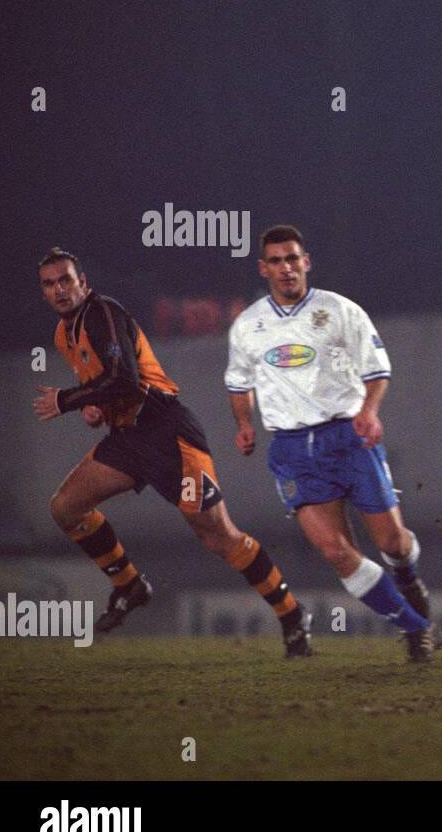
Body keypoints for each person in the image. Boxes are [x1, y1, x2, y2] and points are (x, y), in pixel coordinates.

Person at [33, 248, 312, 656]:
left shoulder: (102, 313)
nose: (59, 289)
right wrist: (93, 407)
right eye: (49, 283)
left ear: (83, 282)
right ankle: (130, 587)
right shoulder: (64, 334)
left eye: (65, 280)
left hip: (166, 430)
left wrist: (68, 399)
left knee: (218, 537)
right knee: (65, 507)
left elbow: (126, 380)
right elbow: (107, 387)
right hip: (128, 438)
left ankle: (291, 614)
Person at [225, 225, 437, 662]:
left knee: (393, 543)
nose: (286, 268)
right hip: (291, 449)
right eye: (277, 261)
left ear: (306, 262)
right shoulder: (248, 326)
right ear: (263, 268)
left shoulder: (340, 311)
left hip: (348, 437)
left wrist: (369, 411)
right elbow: (238, 381)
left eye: (293, 258)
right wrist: (244, 423)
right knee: (335, 551)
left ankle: (409, 579)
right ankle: (416, 628)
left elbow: (377, 371)